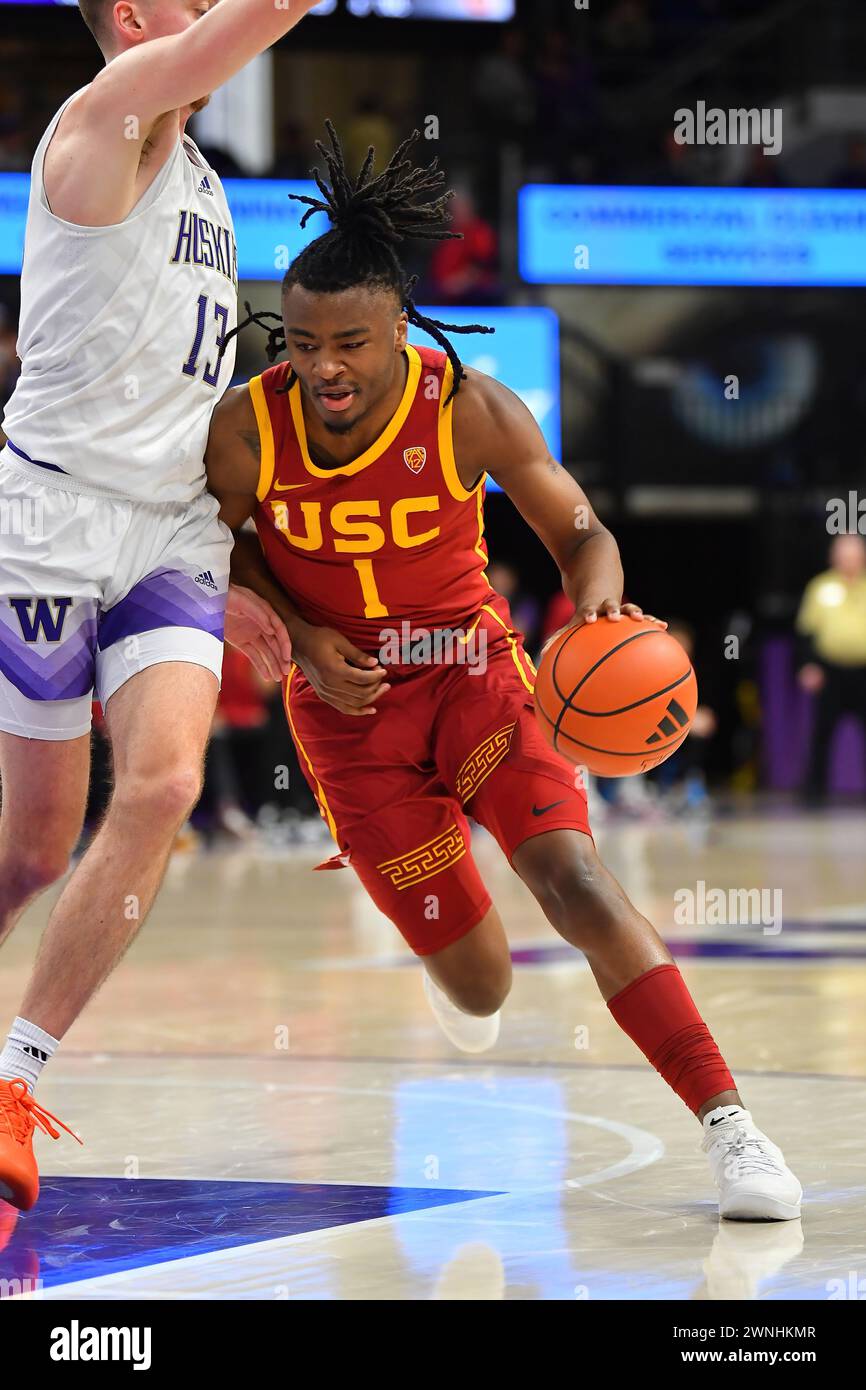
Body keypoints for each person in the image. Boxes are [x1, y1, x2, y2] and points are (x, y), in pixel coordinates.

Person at [204, 123, 802, 1221]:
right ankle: (457, 962)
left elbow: (580, 534)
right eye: (302, 342)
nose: (323, 366)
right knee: (477, 981)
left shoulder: (466, 408)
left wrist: (600, 600)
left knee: (574, 881)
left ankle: (732, 1129)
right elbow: (224, 544)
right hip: (344, 715)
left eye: (349, 342)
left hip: (473, 671)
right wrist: (292, 628)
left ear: (399, 329)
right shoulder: (247, 427)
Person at [0, 0, 319, 1213]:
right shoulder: (102, 117)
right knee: (30, 849)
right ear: (135, 19)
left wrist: (232, 572)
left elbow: (187, 398)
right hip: (51, 519)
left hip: (168, 531)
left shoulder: (199, 173)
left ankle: (15, 1079)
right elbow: (225, 42)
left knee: (166, 785)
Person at [797, 533, 866, 804]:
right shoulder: (820, 587)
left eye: (853, 555)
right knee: (822, 732)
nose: (848, 560)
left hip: (864, 672)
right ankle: (815, 792)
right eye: (843, 555)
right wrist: (808, 665)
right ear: (833, 557)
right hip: (830, 671)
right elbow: (805, 632)